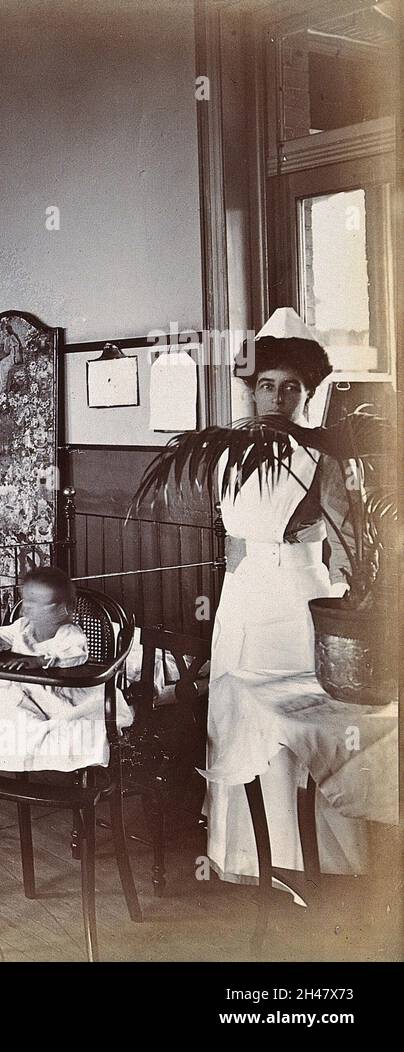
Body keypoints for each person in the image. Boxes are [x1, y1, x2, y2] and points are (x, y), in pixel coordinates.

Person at [203, 306, 367, 888]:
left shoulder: (322, 454)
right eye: (265, 386)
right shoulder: (226, 451)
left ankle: (314, 869)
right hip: (244, 598)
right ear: (251, 390)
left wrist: (351, 599)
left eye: (290, 387)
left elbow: (346, 538)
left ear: (308, 392)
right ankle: (247, 859)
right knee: (241, 721)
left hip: (302, 598)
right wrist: (219, 603)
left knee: (303, 726)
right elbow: (233, 542)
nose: (276, 396)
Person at [0, 567, 131, 771]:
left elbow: (74, 654)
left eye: (38, 603)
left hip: (56, 698)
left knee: (42, 727)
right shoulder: (22, 628)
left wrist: (39, 661)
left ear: (64, 608)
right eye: (26, 601)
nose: (28, 607)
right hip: (24, 693)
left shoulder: (70, 633)